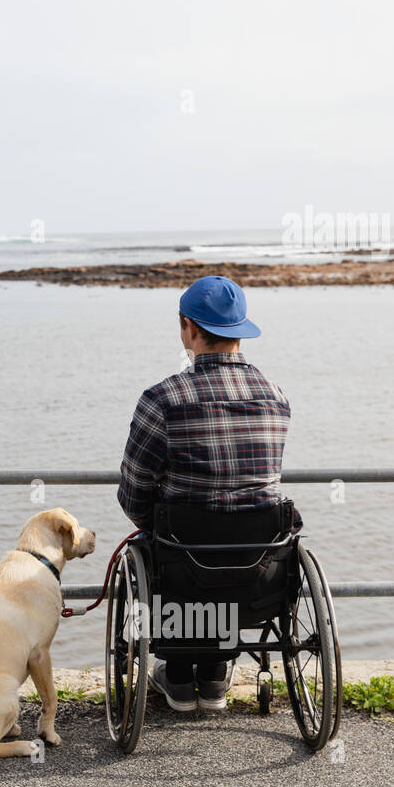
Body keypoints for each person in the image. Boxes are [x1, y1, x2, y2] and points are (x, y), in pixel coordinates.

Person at [117, 275, 301, 711]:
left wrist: (154, 525)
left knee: (167, 547)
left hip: (183, 569)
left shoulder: (162, 398)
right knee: (227, 543)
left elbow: (134, 492)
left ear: (188, 327)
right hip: (260, 570)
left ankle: (179, 677)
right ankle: (215, 675)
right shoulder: (276, 396)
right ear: (240, 329)